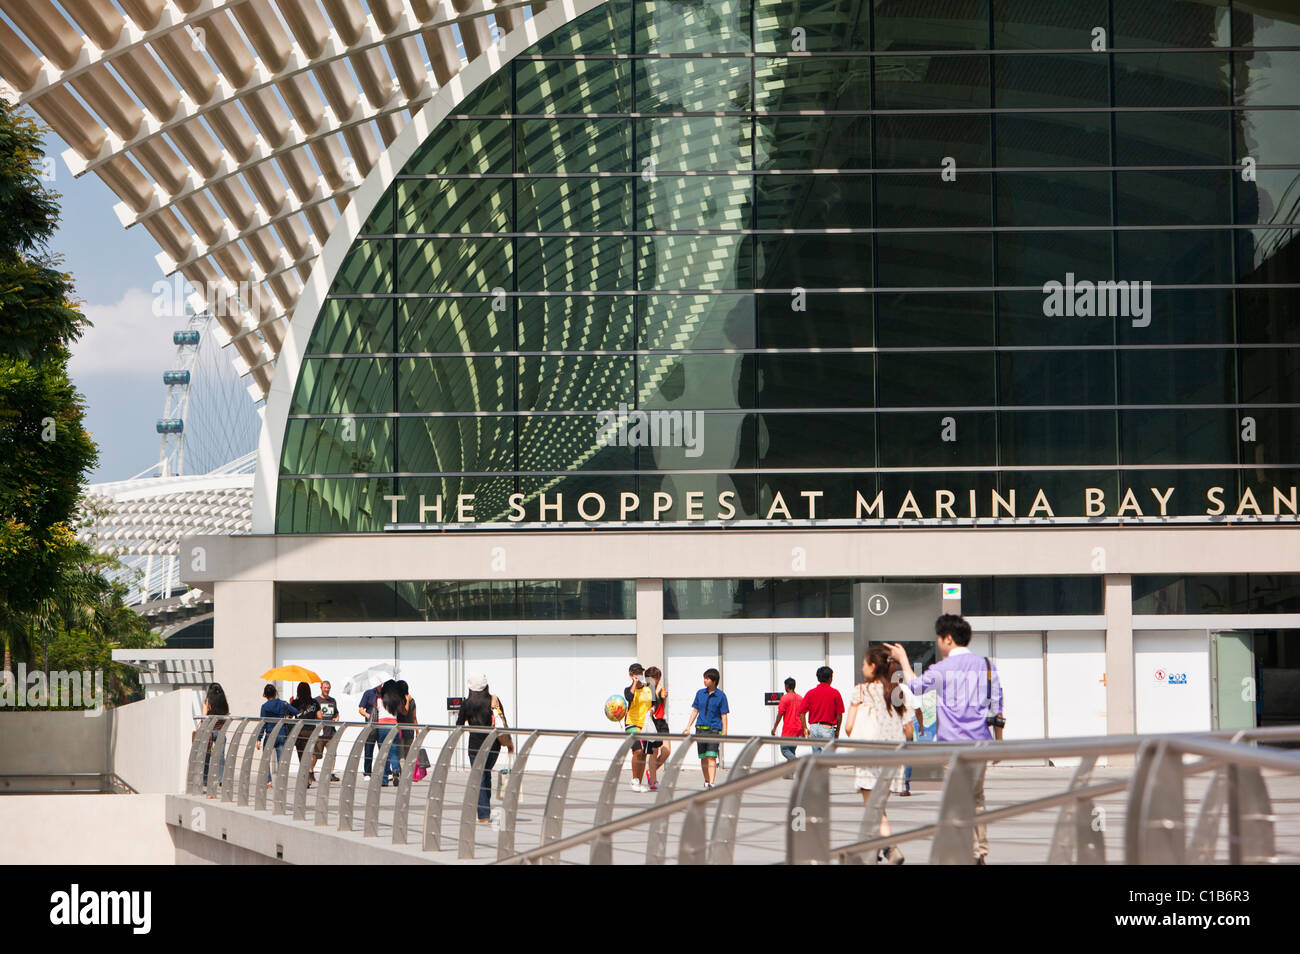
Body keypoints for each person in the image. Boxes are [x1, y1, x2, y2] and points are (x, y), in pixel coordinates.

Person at [886, 613, 1005, 864]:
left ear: (948, 638)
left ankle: (965, 853)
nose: (938, 643)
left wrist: (904, 660)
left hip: (952, 748)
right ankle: (979, 853)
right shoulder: (986, 665)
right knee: (977, 798)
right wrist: (998, 742)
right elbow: (997, 706)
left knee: (955, 801)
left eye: (939, 638)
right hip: (981, 745)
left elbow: (916, 687)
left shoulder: (943, 668)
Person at [845, 646, 916, 864]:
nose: (862, 668)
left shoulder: (861, 691)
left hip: (868, 757)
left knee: (874, 810)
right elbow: (908, 731)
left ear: (873, 666)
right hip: (892, 759)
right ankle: (872, 852)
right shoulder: (897, 692)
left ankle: (890, 847)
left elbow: (849, 727)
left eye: (864, 664)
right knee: (878, 807)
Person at [456, 673, 507, 822]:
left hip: (475, 746)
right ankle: (485, 808)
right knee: (486, 774)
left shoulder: (467, 704)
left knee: (479, 777)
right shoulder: (493, 701)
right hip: (494, 745)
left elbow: (459, 724)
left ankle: (484, 814)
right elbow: (503, 721)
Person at [682, 668, 729, 788]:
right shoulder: (700, 693)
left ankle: (712, 783)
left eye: (707, 678)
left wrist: (725, 731)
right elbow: (695, 711)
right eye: (704, 678)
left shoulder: (721, 696)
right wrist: (688, 726)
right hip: (700, 729)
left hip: (714, 729)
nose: (705, 681)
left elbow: (724, 715)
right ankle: (707, 780)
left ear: (714, 681)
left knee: (712, 756)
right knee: (703, 757)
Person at [255, 684, 297, 786]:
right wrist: (288, 714)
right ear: (275, 693)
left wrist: (259, 738)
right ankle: (281, 782)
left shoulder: (264, 707)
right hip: (282, 734)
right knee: (281, 760)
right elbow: (296, 711)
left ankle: (268, 781)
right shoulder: (283, 703)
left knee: (266, 759)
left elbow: (263, 723)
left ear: (264, 695)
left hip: (270, 734)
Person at [623, 663, 656, 792]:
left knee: (643, 754)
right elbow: (629, 697)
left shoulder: (649, 688)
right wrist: (634, 684)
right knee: (637, 751)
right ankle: (634, 779)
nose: (639, 676)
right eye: (635, 673)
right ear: (631, 675)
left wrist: (652, 710)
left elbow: (654, 704)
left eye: (640, 673)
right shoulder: (628, 689)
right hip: (632, 722)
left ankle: (639, 782)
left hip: (645, 724)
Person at [799, 666, 844, 754]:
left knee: (817, 759)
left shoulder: (810, 693)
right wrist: (838, 730)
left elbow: (801, 712)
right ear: (830, 678)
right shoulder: (835, 693)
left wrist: (805, 728)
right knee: (828, 759)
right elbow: (839, 714)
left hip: (814, 728)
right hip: (827, 728)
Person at [199, 682, 229, 792]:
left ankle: (205, 779)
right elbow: (227, 715)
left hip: (210, 733)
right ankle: (221, 779)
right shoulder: (224, 702)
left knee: (207, 756)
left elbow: (203, 718)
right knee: (220, 756)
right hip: (220, 732)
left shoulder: (208, 702)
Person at [289, 681, 321, 782]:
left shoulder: (295, 703)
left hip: (299, 732)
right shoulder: (314, 702)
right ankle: (308, 774)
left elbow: (289, 717)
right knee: (310, 754)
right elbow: (320, 717)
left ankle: (305, 777)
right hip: (311, 731)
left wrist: (290, 704)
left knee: (301, 754)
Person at [644, 665, 670, 789]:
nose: (656, 680)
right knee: (654, 752)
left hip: (662, 721)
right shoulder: (646, 690)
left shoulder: (660, 688)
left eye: (658, 677)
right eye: (654, 678)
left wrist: (663, 697)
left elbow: (662, 707)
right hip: (651, 722)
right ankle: (653, 781)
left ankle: (650, 771)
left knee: (666, 751)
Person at [377, 679, 404, 786]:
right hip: (394, 726)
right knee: (393, 752)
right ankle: (396, 770)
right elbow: (402, 711)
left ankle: (384, 780)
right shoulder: (397, 700)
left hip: (382, 726)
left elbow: (376, 710)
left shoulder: (379, 699)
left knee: (383, 753)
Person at [771, 677, 804, 763]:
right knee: (792, 751)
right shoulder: (800, 698)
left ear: (787, 686)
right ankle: (790, 774)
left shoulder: (785, 698)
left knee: (784, 749)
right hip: (798, 729)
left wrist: (774, 727)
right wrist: (804, 729)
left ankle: (798, 763)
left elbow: (780, 714)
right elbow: (802, 715)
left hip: (788, 729)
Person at [314, 680, 340, 782]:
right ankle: (310, 772)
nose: (327, 690)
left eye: (328, 688)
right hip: (320, 733)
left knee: (332, 754)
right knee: (316, 755)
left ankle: (330, 773)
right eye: (325, 687)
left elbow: (336, 713)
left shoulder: (333, 701)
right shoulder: (316, 700)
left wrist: (337, 718)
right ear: (321, 688)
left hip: (331, 732)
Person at [358, 681, 383, 779]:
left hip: (382, 725)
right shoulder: (368, 693)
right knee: (368, 749)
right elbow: (360, 709)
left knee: (383, 749)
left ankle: (384, 772)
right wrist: (368, 715)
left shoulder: (385, 694)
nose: (379, 684)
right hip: (370, 726)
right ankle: (367, 772)